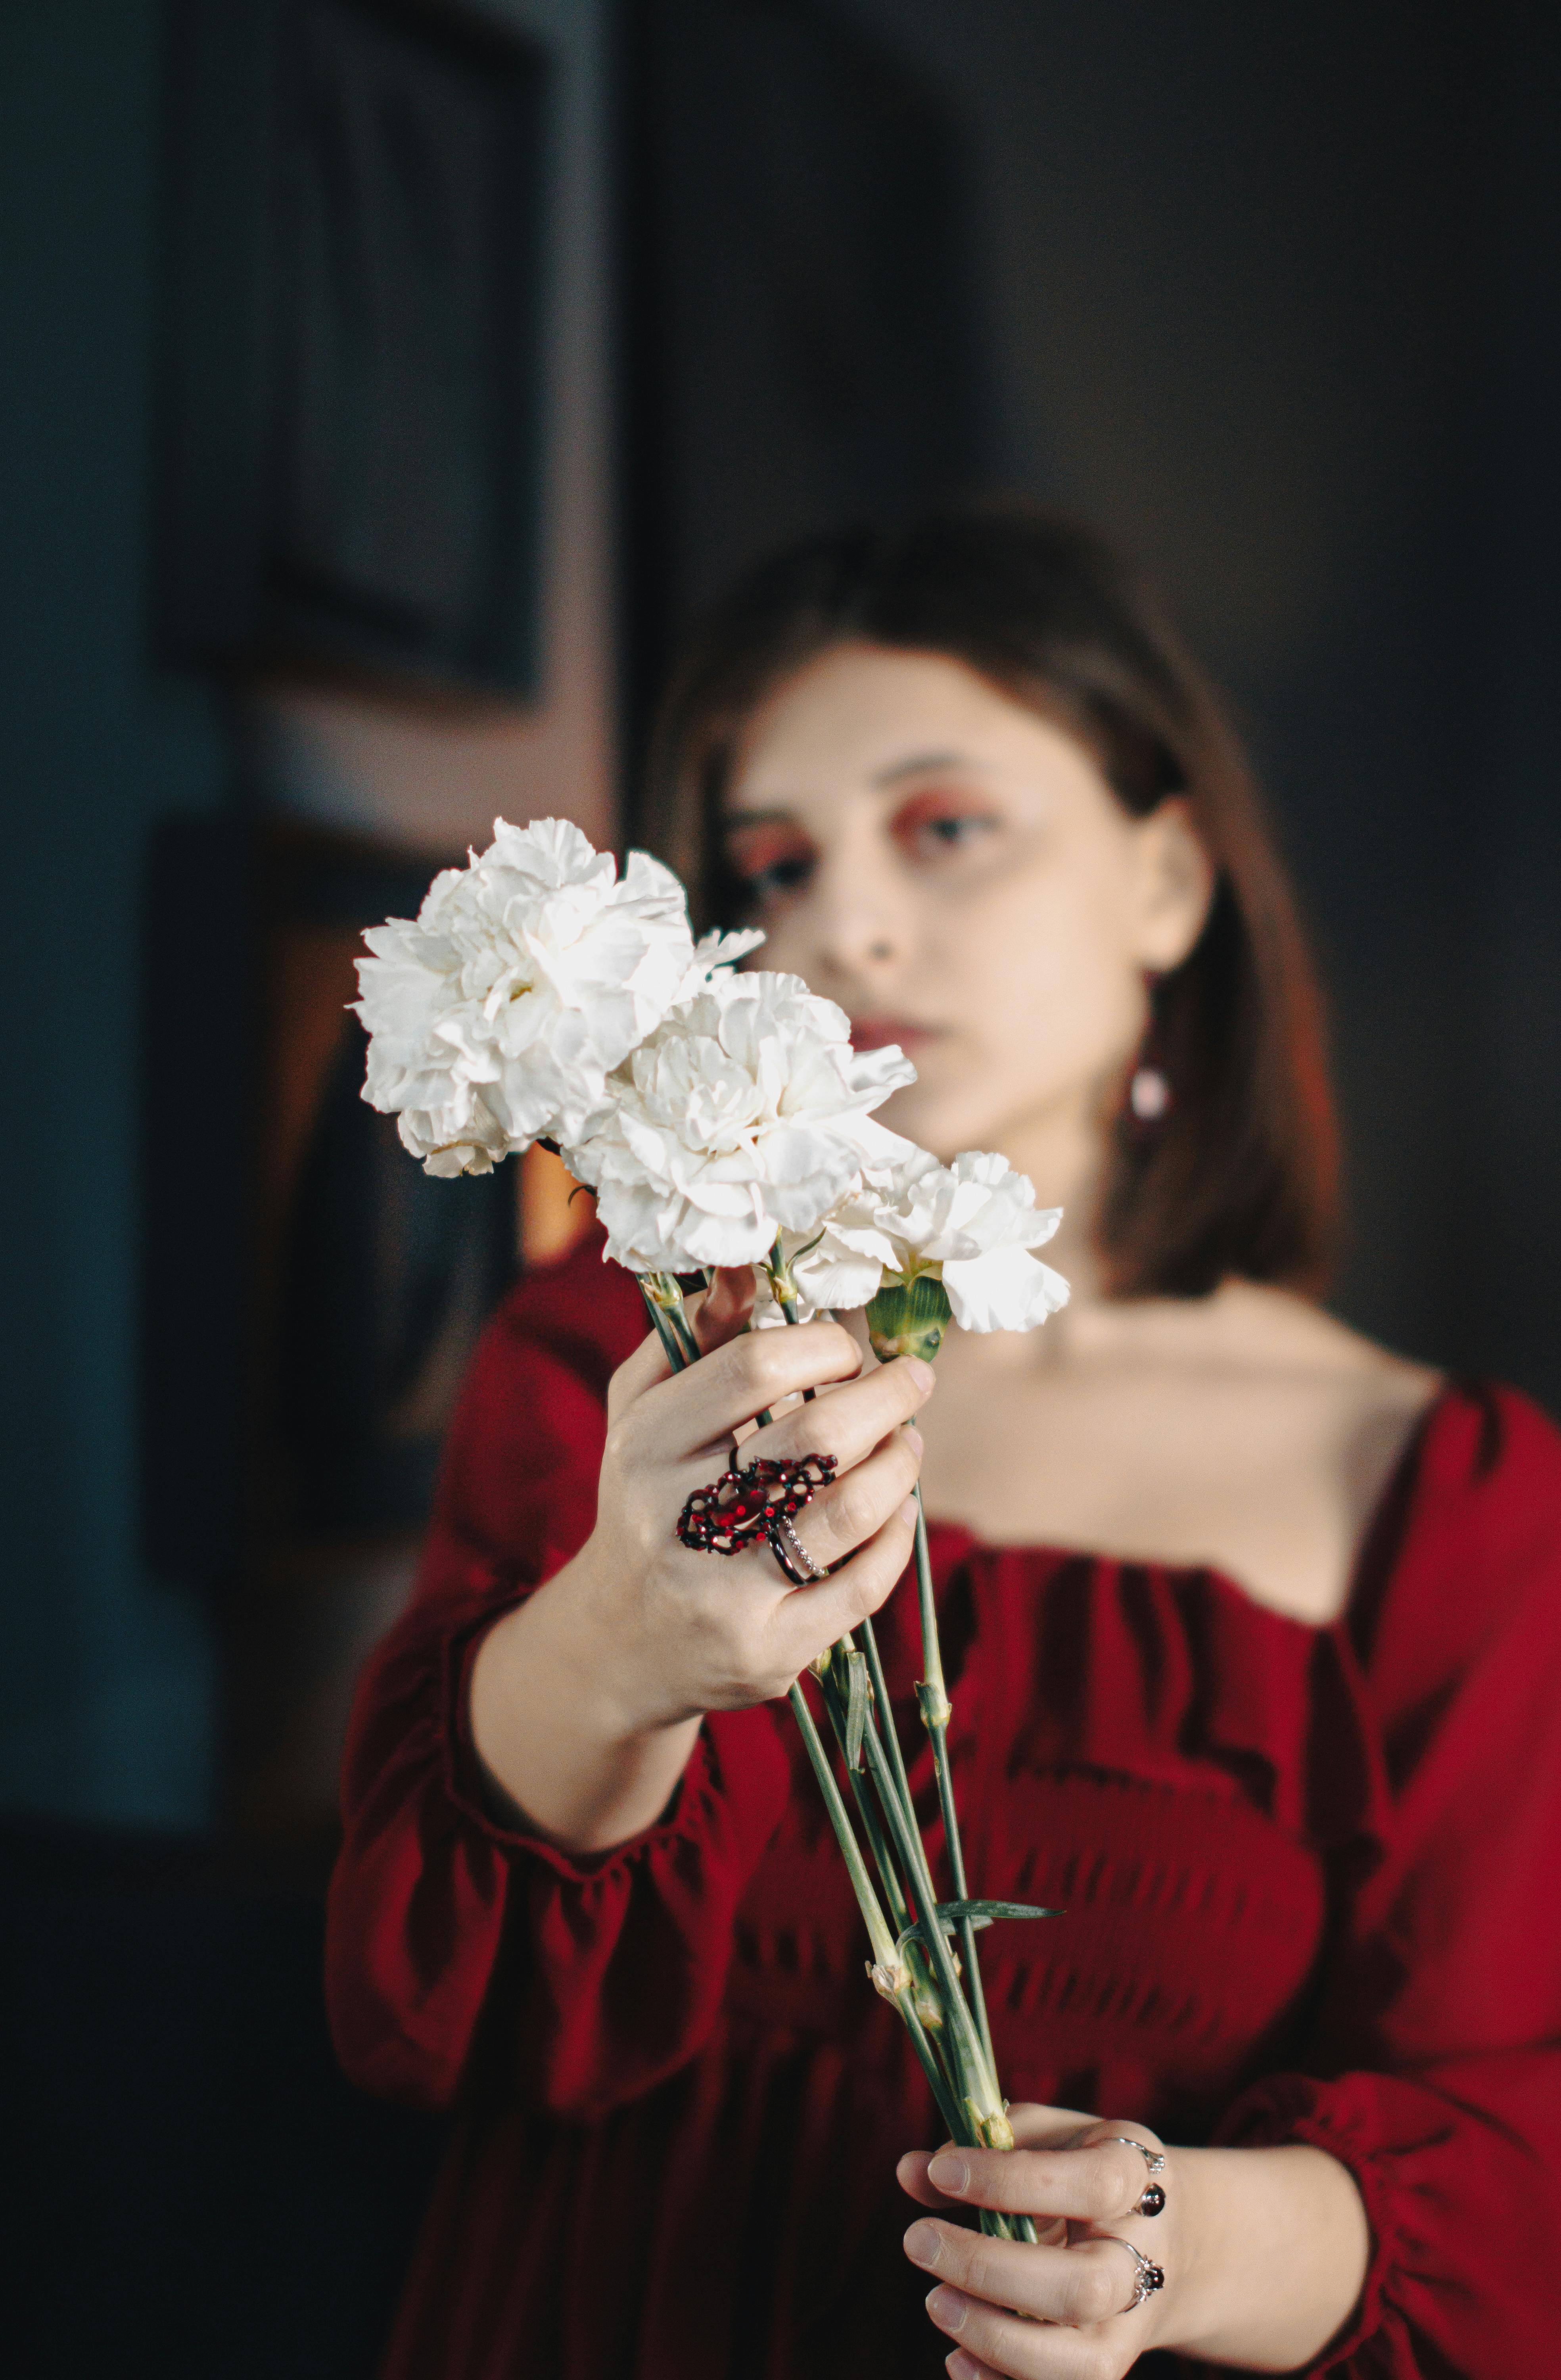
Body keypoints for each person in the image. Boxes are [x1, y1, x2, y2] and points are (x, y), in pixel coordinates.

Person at [326, 509, 1561, 2380]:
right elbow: (436, 2018)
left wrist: (1176, 2247)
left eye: (946, 826)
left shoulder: (1443, 1498)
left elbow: (1520, 2179)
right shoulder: (633, 1364)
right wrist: (617, 1647)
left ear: (1167, 878)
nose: (849, 924)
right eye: (775, 860)